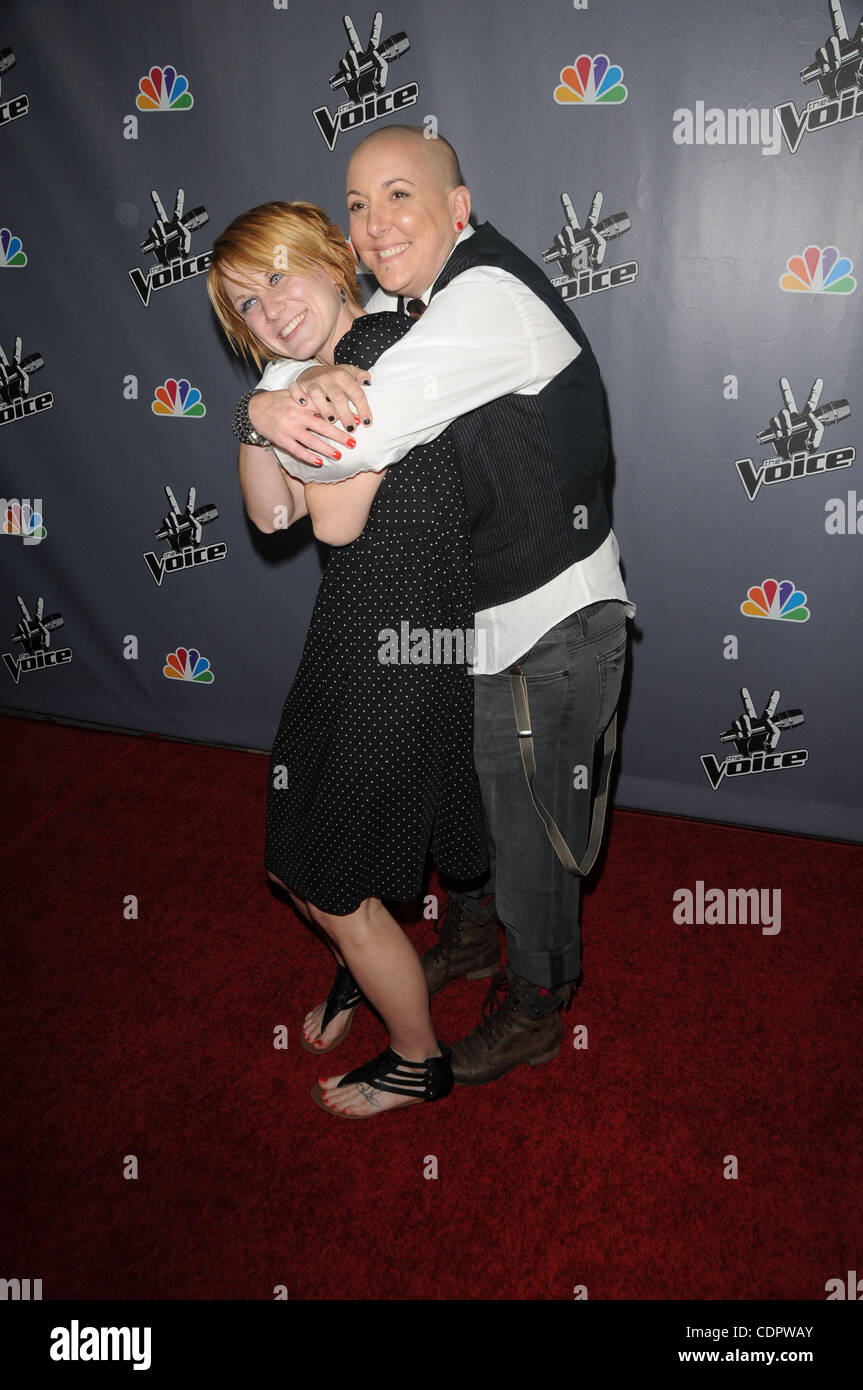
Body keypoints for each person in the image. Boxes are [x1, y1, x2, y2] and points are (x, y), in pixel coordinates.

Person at [234, 126, 635, 1089]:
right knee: (479, 813)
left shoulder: (481, 299)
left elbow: (341, 448)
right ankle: (468, 942)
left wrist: (266, 412)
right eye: (359, 205)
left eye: (399, 197)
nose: (375, 225)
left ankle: (537, 1010)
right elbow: (310, 359)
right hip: (475, 617)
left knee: (533, 837)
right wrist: (272, 396)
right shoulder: (402, 301)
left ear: (457, 209)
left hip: (554, 620)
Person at [207, 200, 489, 1117]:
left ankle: (416, 1059)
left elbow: (329, 516)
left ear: (333, 261)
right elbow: (269, 515)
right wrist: (262, 413)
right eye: (246, 303)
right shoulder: (312, 371)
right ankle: (360, 975)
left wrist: (283, 403)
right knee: (296, 855)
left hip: (398, 647)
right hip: (355, 630)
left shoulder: (372, 350)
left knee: (331, 880)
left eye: (279, 276)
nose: (271, 308)